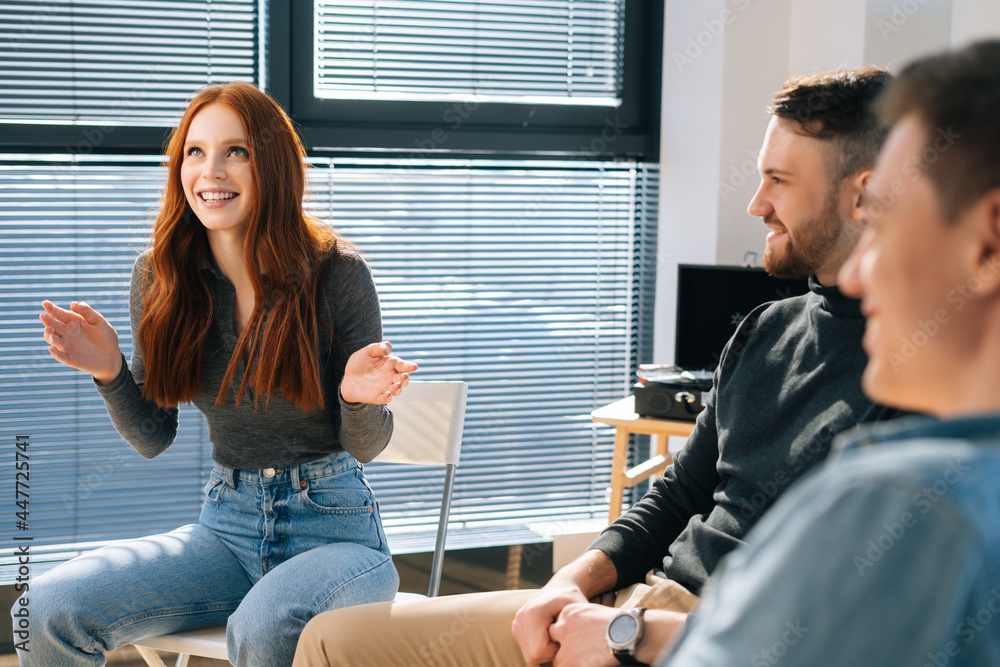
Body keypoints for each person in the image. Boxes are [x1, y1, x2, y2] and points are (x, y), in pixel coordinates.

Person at [291, 67, 899, 667]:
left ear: (862, 194)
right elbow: (678, 496)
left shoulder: (924, 378)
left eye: (779, 180)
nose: (756, 203)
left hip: (711, 639)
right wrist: (569, 586)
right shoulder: (766, 330)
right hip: (630, 608)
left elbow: (855, 611)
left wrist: (633, 632)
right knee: (331, 642)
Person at [14, 82, 418, 667]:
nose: (212, 170)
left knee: (263, 626)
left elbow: (367, 445)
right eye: (195, 152)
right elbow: (155, 436)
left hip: (337, 532)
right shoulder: (161, 276)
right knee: (49, 607)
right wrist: (109, 371)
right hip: (226, 526)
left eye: (237, 151)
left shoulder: (338, 273)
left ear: (272, 164)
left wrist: (357, 397)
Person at [658, 38, 1000, 667]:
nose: (862, 276)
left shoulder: (902, 500)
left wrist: (633, 637)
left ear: (988, 241)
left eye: (890, 225)